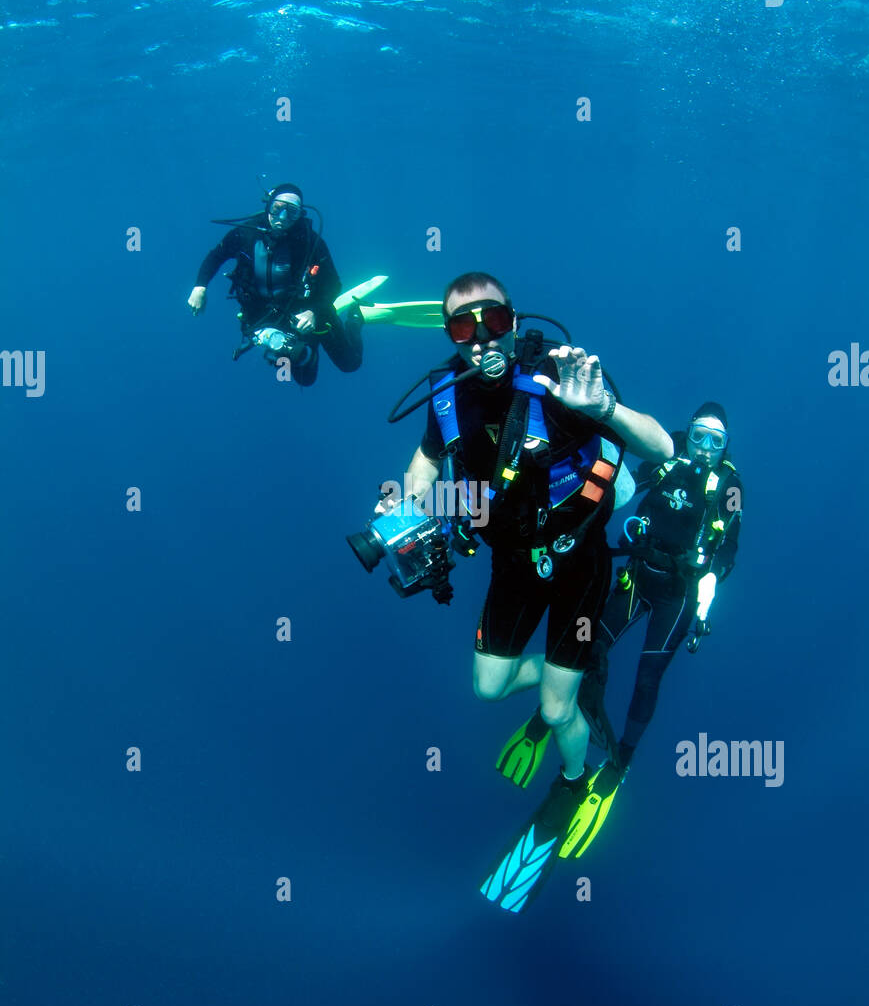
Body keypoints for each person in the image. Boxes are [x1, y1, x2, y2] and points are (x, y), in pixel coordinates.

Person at [379, 272, 672, 913]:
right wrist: (403, 503)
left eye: (492, 320)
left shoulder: (563, 381)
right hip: (511, 562)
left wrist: (605, 410)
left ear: (513, 321)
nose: (481, 338)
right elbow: (428, 458)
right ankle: (572, 669)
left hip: (578, 562)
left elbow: (663, 445)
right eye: (463, 326)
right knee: (487, 688)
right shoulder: (447, 394)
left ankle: (574, 778)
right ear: (450, 335)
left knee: (559, 711)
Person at [509, 402, 743, 866]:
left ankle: (621, 763)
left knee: (647, 679)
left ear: (725, 447)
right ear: (688, 432)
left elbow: (727, 552)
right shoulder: (667, 456)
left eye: (716, 441)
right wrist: (575, 518)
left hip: (679, 595)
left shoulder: (729, 487)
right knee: (587, 646)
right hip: (636, 577)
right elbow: (622, 487)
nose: (705, 448)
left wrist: (705, 599)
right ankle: (550, 716)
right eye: (699, 436)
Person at [187, 181, 363, 386]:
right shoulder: (245, 234)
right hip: (264, 316)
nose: (282, 217)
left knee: (350, 364)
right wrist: (200, 287)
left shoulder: (310, 242)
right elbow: (216, 256)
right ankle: (304, 351)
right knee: (303, 380)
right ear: (268, 205)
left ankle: (355, 320)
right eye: (277, 208)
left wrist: (313, 312)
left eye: (292, 212)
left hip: (308, 312)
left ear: (300, 214)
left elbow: (333, 284)